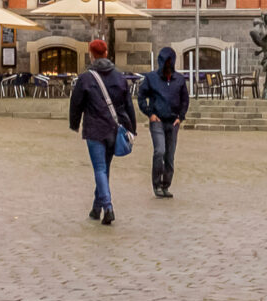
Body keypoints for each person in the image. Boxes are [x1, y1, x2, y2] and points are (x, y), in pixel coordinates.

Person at [69, 37, 135, 226]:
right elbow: (127, 103)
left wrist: (74, 123)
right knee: (104, 168)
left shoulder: (86, 78)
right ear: (106, 53)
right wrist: (132, 127)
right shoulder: (119, 77)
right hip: (114, 129)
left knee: (99, 168)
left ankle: (107, 207)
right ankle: (96, 208)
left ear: (91, 55)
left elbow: (76, 103)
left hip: (94, 129)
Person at [136, 45, 190, 198]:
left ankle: (166, 184)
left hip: (173, 122)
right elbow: (141, 96)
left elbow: (185, 100)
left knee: (170, 156)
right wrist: (149, 113)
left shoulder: (179, 80)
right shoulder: (151, 78)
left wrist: (180, 117)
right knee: (160, 150)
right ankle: (156, 184)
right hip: (157, 120)